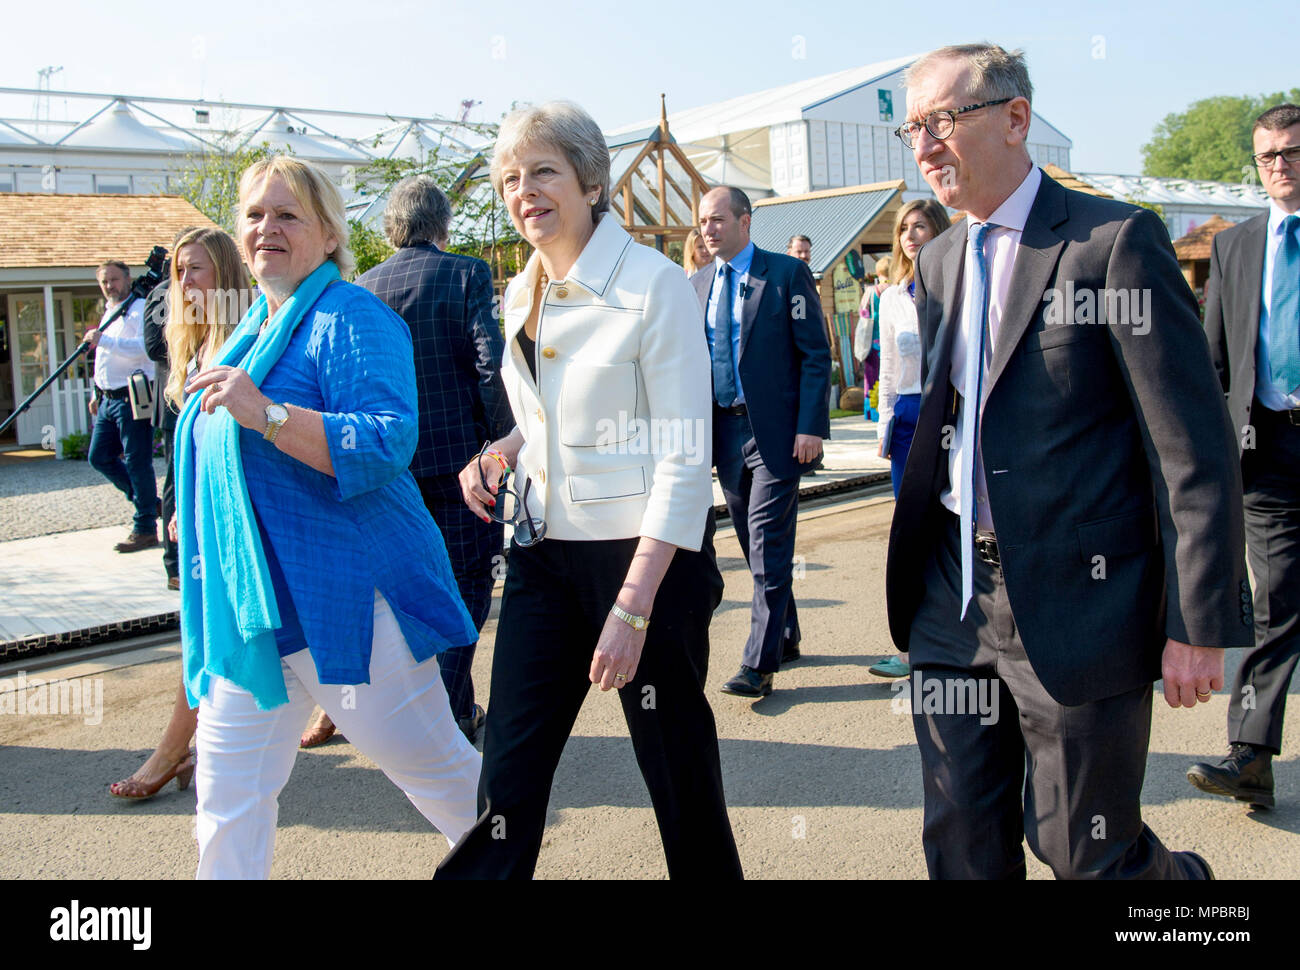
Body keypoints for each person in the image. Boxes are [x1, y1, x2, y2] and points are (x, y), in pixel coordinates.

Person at [884, 43, 1251, 879]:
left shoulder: (1113, 243)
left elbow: (1189, 449)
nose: (925, 145)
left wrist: (1197, 625)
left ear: (1016, 121)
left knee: (1085, 851)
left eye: (942, 120)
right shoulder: (940, 261)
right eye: (913, 128)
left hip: (1079, 599)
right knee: (961, 847)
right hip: (951, 597)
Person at [434, 101, 742, 879]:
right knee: (507, 777)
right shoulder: (520, 291)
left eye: (542, 172)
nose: (523, 191)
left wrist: (633, 607)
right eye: (510, 178)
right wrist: (499, 450)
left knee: (680, 783)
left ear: (591, 181)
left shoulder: (655, 287)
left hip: (646, 567)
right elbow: (548, 417)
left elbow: (681, 456)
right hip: (541, 558)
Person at [176, 156, 481, 878]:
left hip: (351, 602)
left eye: (287, 215)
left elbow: (386, 439)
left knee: (442, 778)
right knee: (227, 796)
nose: (266, 229)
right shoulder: (251, 328)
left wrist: (269, 413)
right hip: (254, 613)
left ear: (327, 230)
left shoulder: (352, 315)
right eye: (254, 215)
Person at [356, 174, 513, 743]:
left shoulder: (365, 286)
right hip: (460, 463)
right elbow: (489, 363)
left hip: (390, 469)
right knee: (468, 582)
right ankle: (443, 710)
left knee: (411, 589)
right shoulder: (466, 272)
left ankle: (455, 708)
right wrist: (505, 441)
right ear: (442, 224)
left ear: (393, 225)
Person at [1189, 103, 1300, 811]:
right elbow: (1214, 363)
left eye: (1292, 151)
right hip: (1269, 451)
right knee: (1277, 605)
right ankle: (1250, 757)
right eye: (1269, 156)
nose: (1281, 165)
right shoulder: (1236, 247)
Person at [110, 227, 245, 800]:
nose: (182, 282)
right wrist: (176, 505)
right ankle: (182, 750)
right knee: (207, 629)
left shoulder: (247, 336)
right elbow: (181, 441)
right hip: (203, 510)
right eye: (177, 272)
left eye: (195, 270)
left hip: (244, 512)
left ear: (225, 274)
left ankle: (174, 750)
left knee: (217, 631)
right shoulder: (190, 341)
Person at [693, 186, 831, 698]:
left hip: (777, 434)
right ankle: (788, 632)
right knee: (755, 550)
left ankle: (758, 664)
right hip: (725, 434)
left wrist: (811, 425)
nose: (708, 230)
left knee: (767, 542)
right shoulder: (697, 283)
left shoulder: (787, 274)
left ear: (746, 222)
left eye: (718, 220)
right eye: (703, 222)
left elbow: (816, 354)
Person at [870, 199, 951, 680]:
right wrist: (884, 424)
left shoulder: (958, 282)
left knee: (953, 524)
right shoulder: (891, 297)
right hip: (907, 414)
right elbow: (889, 369)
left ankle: (958, 635)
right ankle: (913, 645)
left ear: (938, 230)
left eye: (920, 226)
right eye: (904, 228)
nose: (911, 235)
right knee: (912, 531)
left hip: (950, 412)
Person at [83, 260, 159, 553]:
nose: (109, 286)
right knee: (99, 457)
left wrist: (105, 340)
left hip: (132, 396)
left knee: (138, 461)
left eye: (114, 279)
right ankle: (149, 504)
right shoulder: (108, 312)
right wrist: (94, 391)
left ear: (127, 279)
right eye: (104, 281)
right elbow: (101, 359)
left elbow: (145, 348)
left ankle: (144, 527)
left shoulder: (140, 309)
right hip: (106, 399)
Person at [143, 226, 199, 590]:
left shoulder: (229, 292)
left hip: (212, 397)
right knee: (175, 483)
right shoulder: (162, 294)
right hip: (178, 401)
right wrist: (191, 343)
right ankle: (174, 564)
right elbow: (151, 346)